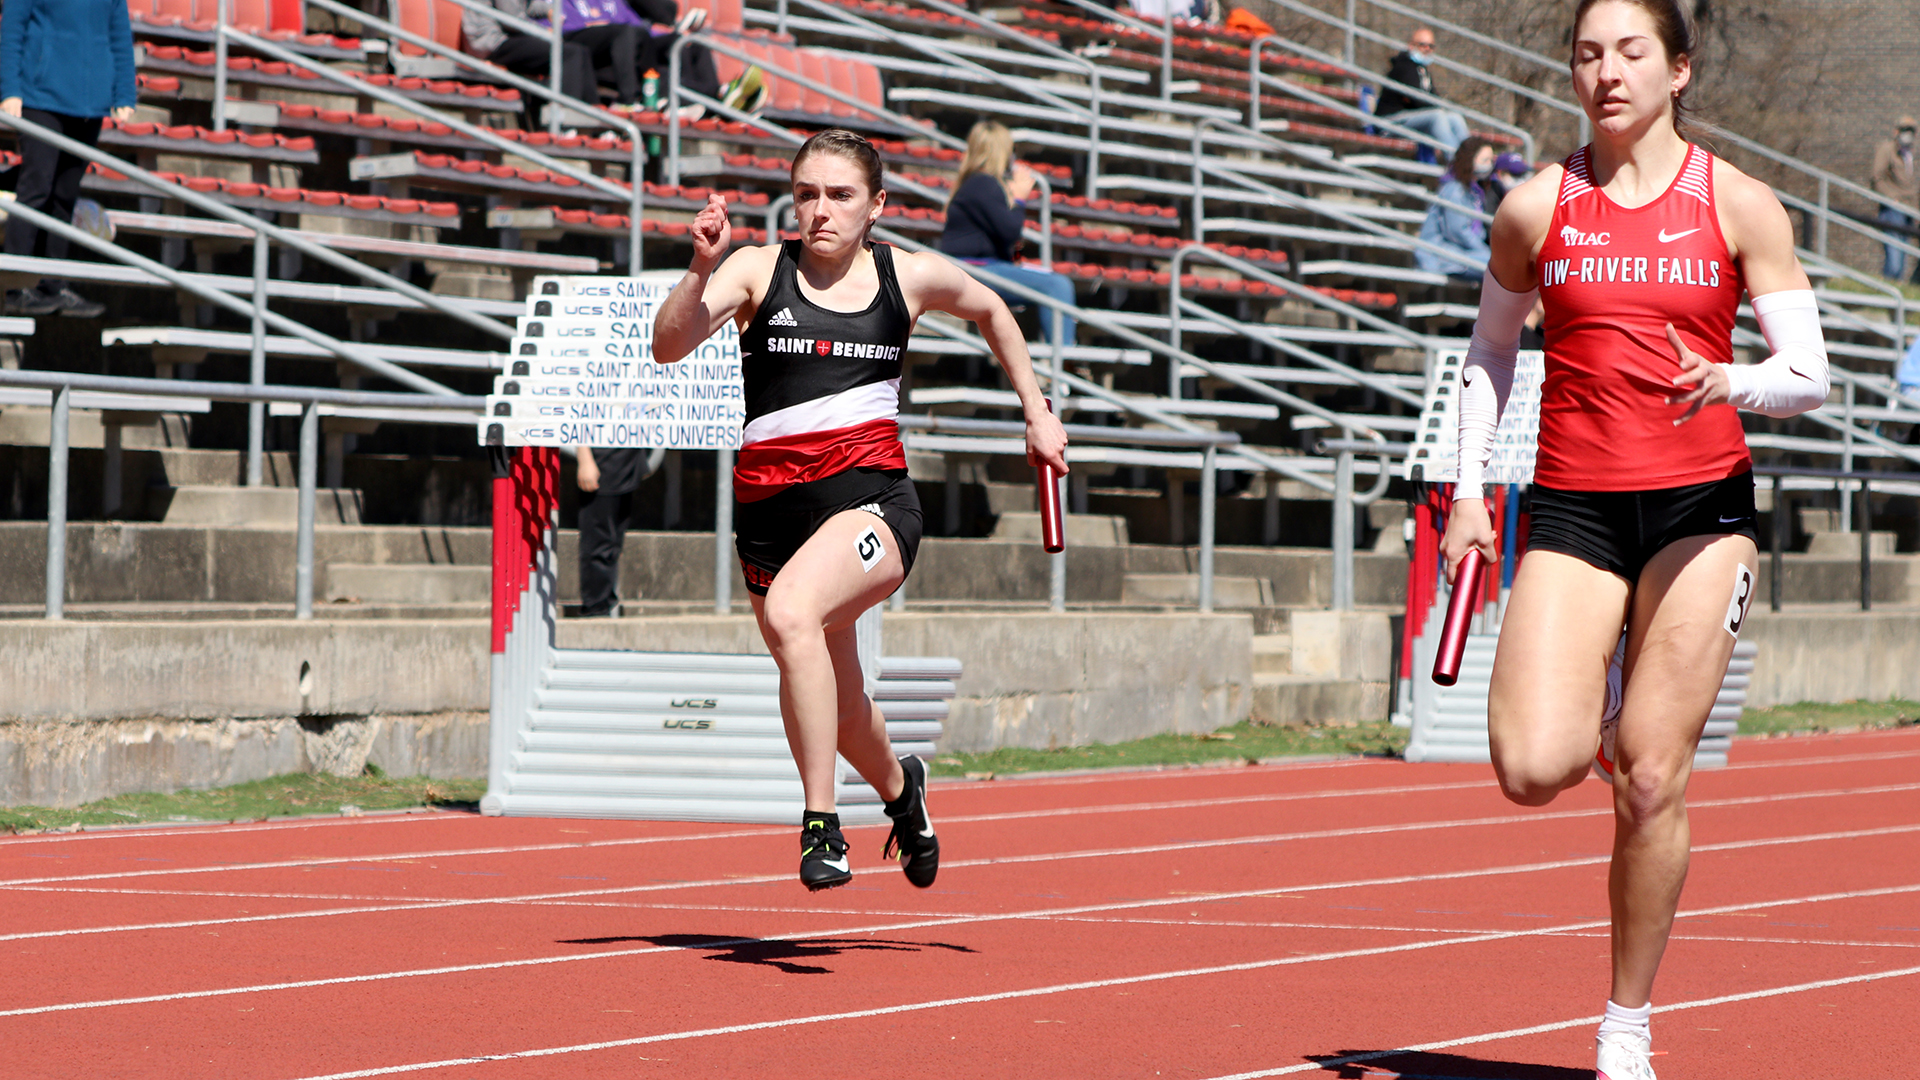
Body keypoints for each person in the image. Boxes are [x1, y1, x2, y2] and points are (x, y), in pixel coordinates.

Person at [1439, 3, 1829, 1079]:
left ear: (1678, 69)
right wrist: (1467, 490)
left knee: (1651, 780)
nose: (1606, 72)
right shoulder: (1534, 206)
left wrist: (1732, 379)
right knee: (1530, 767)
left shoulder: (1737, 204)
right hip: (1576, 503)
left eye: (1630, 52)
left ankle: (1624, 1024)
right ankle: (1609, 690)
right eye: (1587, 54)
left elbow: (1811, 373)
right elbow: (1489, 351)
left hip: (1701, 511)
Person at [653, 129, 1068, 892]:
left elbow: (994, 311)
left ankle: (821, 826)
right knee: (840, 712)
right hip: (769, 515)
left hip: (872, 503)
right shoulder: (755, 269)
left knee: (792, 616)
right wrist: (699, 266)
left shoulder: (905, 277)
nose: (820, 211)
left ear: (876, 205)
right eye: (806, 193)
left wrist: (1037, 412)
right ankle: (902, 791)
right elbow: (668, 345)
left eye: (840, 195)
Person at [0, 0, 136, 318]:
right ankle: (14, 285)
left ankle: (52, 285)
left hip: (89, 107)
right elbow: (12, 28)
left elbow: (119, 34)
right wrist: (9, 90)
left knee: (64, 195)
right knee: (37, 186)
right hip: (40, 98)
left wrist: (125, 92)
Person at [939, 121, 1078, 349]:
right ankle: (1063, 367)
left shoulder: (973, 183)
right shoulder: (984, 183)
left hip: (976, 269)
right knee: (1057, 286)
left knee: (1050, 281)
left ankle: (1060, 365)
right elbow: (1010, 231)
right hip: (975, 270)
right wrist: (1020, 198)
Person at [462, 0, 596, 107]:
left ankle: (594, 118)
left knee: (581, 51)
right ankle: (566, 120)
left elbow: (527, 6)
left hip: (509, 39)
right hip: (492, 43)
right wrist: (545, 33)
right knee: (569, 53)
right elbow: (512, 20)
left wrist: (548, 9)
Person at [574, 445, 657, 617]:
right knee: (599, 540)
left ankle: (604, 603)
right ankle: (595, 607)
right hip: (602, 463)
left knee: (613, 542)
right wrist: (585, 459)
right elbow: (579, 420)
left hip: (626, 463)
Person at [1375, 26, 1471, 160]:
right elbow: (1417, 100)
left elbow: (1433, 98)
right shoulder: (1403, 67)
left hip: (1411, 118)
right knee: (1437, 116)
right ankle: (1456, 165)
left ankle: (1471, 160)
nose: (1427, 49)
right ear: (1411, 45)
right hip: (1390, 121)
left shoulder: (1422, 70)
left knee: (1455, 117)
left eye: (1431, 46)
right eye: (1423, 45)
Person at [1415, 136, 1495, 281]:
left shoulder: (1473, 191)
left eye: (1491, 161)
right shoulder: (1454, 190)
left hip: (1461, 252)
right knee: (1497, 266)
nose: (1489, 165)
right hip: (1441, 256)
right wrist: (1484, 250)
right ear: (1470, 160)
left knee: (1501, 265)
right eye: (1485, 160)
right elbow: (1457, 231)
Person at [1869, 116, 1918, 282]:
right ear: (1896, 131)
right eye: (1905, 130)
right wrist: (1892, 199)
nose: (1908, 134)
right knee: (1894, 260)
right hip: (1892, 210)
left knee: (1902, 260)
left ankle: (1894, 295)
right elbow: (1877, 178)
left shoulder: (1910, 156)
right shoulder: (1887, 149)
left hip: (1908, 213)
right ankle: (1886, 291)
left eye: (1912, 131)